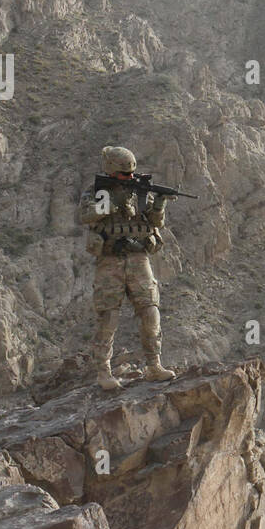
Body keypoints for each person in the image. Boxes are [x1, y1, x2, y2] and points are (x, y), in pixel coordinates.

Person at [79, 146, 176, 390]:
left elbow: (155, 223)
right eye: (123, 175)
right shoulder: (97, 191)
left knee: (150, 311)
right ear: (111, 171)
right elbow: (86, 215)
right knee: (108, 316)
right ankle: (104, 372)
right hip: (110, 260)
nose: (129, 179)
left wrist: (159, 205)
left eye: (130, 175)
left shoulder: (139, 190)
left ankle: (154, 366)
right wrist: (113, 203)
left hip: (138, 258)